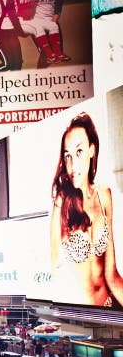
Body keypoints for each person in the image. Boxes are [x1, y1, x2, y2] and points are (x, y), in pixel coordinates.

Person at [50, 113, 123, 307]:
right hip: (80, 317)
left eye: (79, 151)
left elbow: (111, 274)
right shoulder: (61, 203)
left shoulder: (104, 195)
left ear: (92, 150)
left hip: (110, 307)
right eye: (67, 156)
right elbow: (52, 268)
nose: (72, 164)